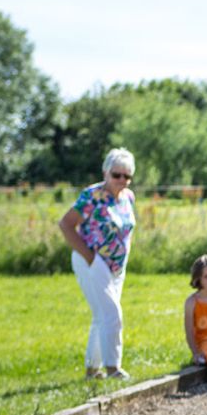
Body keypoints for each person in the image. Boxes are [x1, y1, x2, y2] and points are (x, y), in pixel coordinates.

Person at [59, 148, 136, 379]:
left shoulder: (128, 197)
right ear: (106, 172)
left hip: (116, 266)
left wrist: (122, 258)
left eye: (126, 176)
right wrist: (90, 258)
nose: (121, 180)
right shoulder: (91, 196)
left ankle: (92, 369)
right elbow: (65, 224)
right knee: (112, 313)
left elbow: (126, 230)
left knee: (102, 315)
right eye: (116, 175)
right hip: (92, 261)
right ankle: (113, 368)